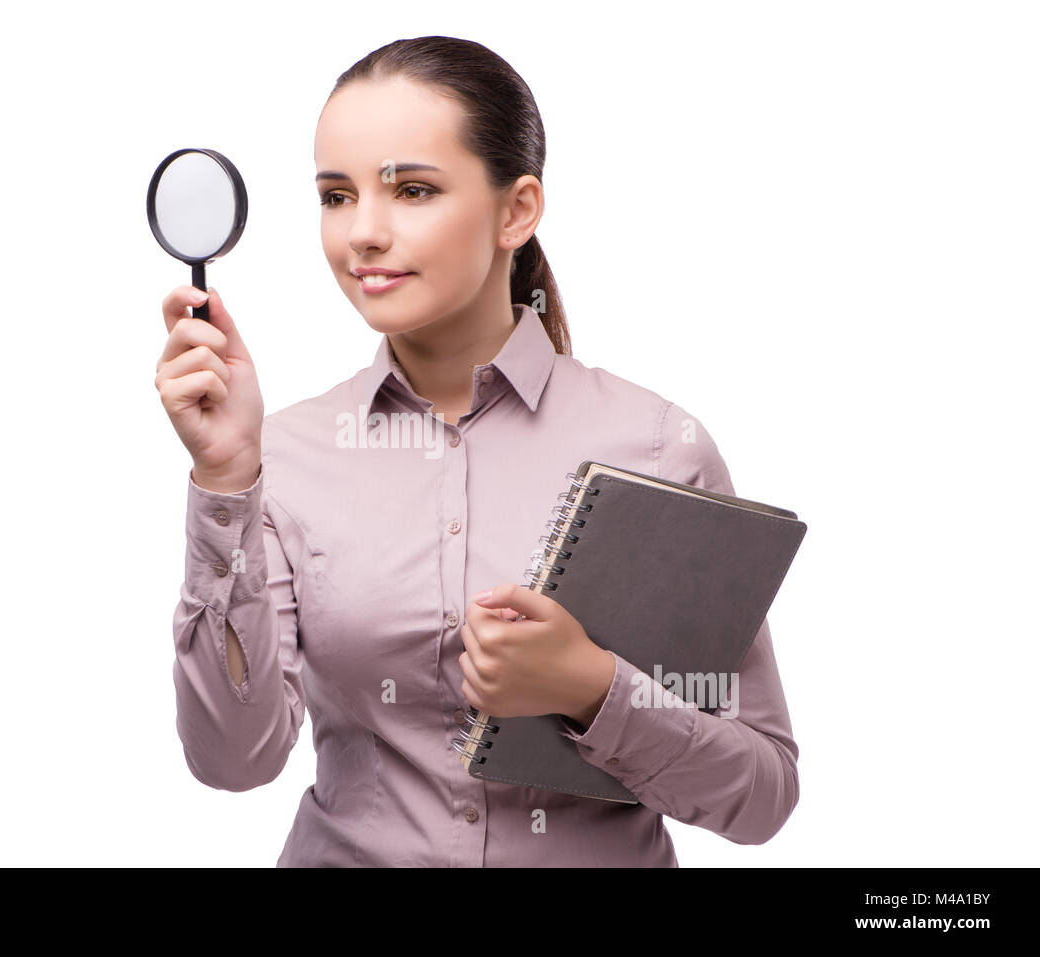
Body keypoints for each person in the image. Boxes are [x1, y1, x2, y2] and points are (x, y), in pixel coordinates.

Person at [154, 36, 798, 867]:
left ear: (517, 210)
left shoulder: (655, 445)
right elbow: (232, 760)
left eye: (412, 190)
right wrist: (225, 477)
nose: (363, 234)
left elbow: (761, 795)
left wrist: (592, 688)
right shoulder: (286, 456)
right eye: (336, 196)